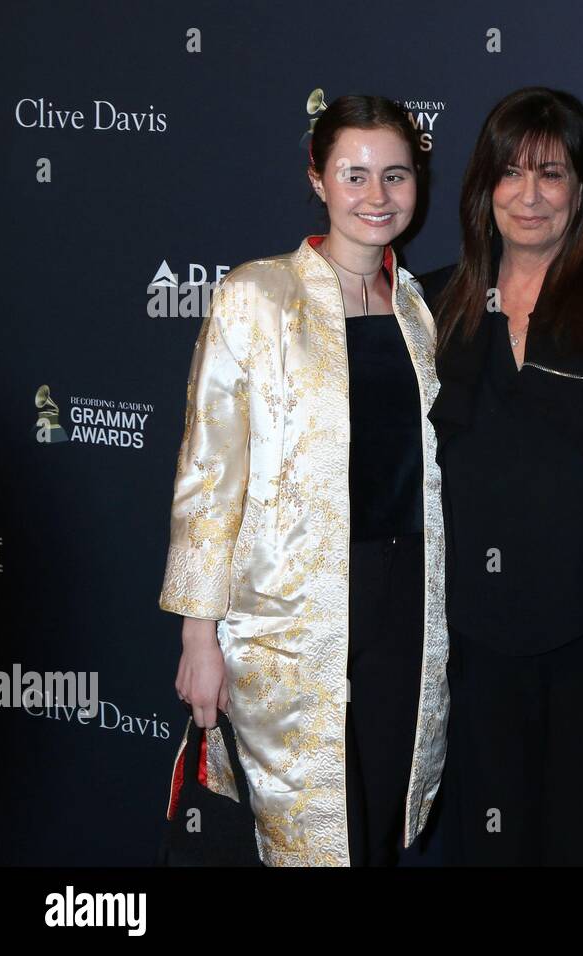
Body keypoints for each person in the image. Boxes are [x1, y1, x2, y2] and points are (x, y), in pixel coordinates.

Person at [161, 95, 449, 867]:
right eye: (354, 174)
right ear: (317, 180)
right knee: (307, 837)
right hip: (286, 617)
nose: (376, 196)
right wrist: (200, 635)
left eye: (395, 175)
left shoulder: (419, 309)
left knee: (377, 823)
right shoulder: (256, 296)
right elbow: (208, 475)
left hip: (406, 606)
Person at [422, 87, 583, 865]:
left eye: (550, 174)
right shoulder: (435, 301)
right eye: (509, 174)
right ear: (482, 187)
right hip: (471, 640)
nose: (528, 196)